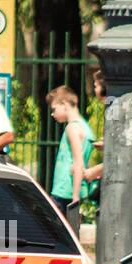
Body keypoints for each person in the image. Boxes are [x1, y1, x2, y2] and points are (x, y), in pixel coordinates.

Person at [46, 85, 95, 226]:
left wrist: (74, 197)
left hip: (64, 191)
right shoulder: (86, 128)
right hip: (74, 190)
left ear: (64, 104)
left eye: (54, 109)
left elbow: (78, 163)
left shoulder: (72, 128)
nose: (53, 114)